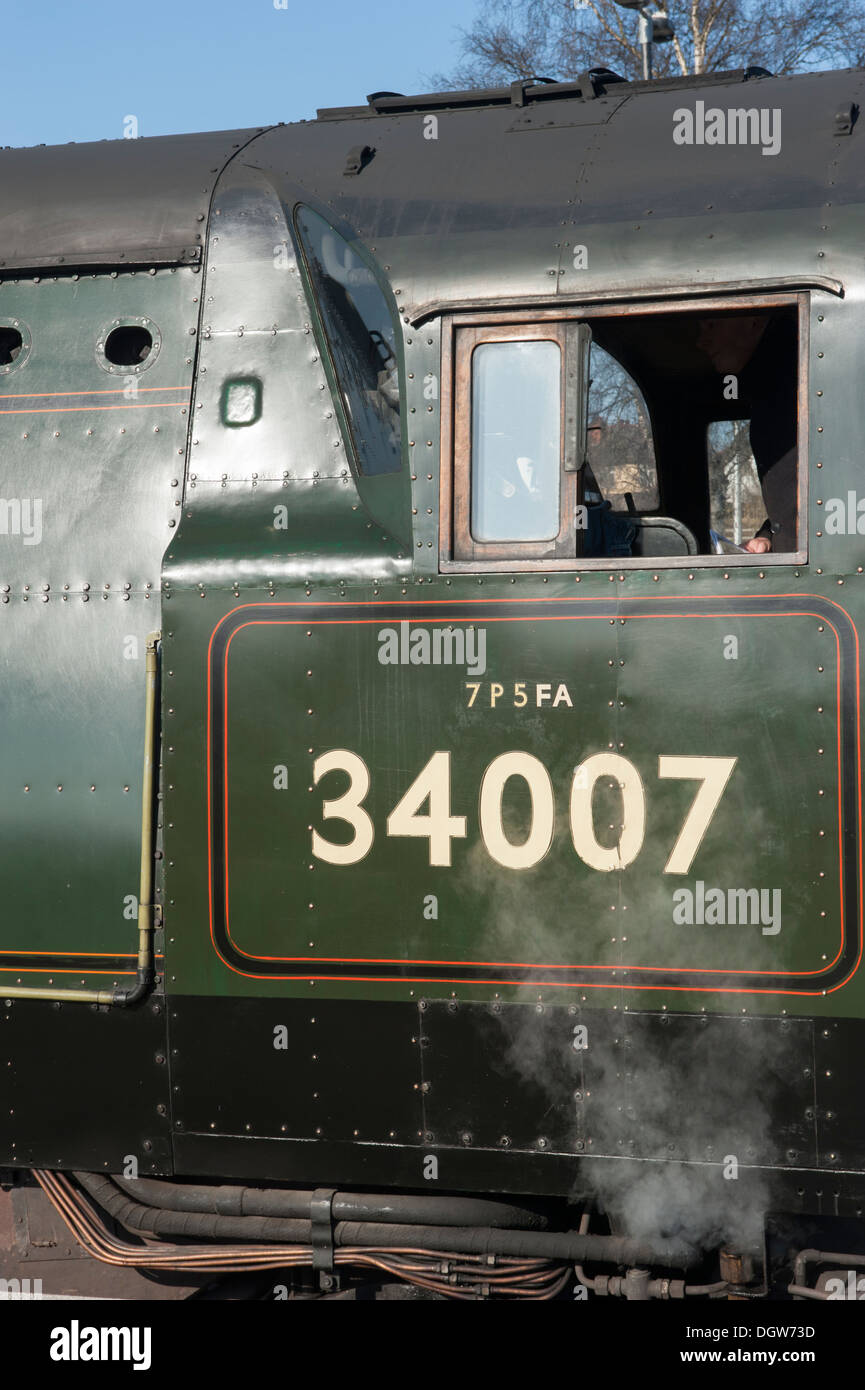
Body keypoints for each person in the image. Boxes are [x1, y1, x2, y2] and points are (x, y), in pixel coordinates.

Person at [696, 313, 798, 553]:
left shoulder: (802, 383)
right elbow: (794, 504)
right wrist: (767, 536)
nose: (701, 342)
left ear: (754, 319)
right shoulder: (771, 390)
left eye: (711, 324)